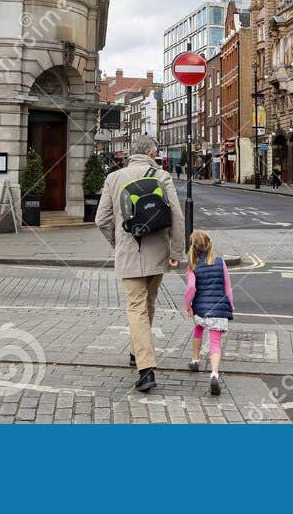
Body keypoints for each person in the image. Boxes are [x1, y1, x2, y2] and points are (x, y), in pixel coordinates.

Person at [96, 134, 186, 392]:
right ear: (151, 154)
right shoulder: (162, 177)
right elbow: (177, 217)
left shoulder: (113, 178)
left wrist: (118, 244)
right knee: (147, 304)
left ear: (130, 154)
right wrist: (176, 251)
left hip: (129, 251)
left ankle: (145, 368)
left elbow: (101, 220)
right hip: (158, 250)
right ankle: (140, 356)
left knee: (136, 307)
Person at [183, 229, 234, 395]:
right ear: (209, 244)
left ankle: (195, 360)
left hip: (201, 310)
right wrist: (230, 306)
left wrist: (187, 305)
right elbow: (227, 287)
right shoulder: (220, 262)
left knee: (198, 328)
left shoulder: (193, 265)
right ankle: (214, 373)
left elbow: (191, 288)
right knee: (215, 344)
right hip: (219, 309)